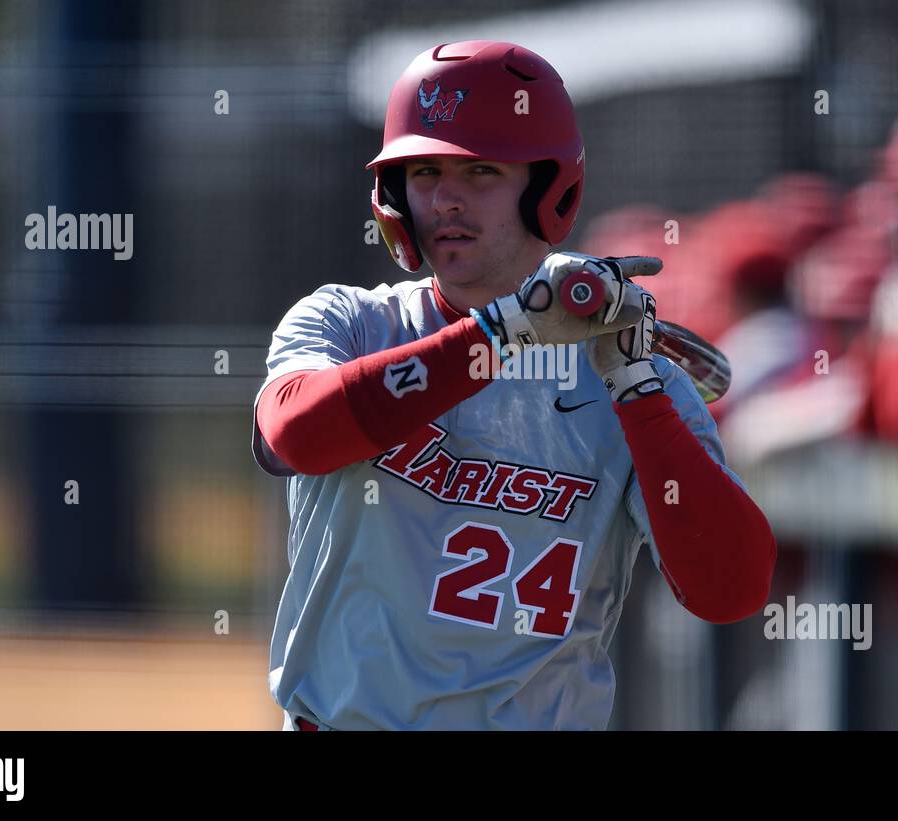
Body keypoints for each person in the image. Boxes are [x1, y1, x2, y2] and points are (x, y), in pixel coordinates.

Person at [250, 40, 776, 730]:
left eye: (482, 172)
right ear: (392, 196)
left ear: (549, 189)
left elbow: (731, 589)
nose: (445, 199)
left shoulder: (635, 381)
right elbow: (295, 433)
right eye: (425, 171)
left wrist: (638, 389)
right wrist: (504, 334)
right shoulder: (348, 321)